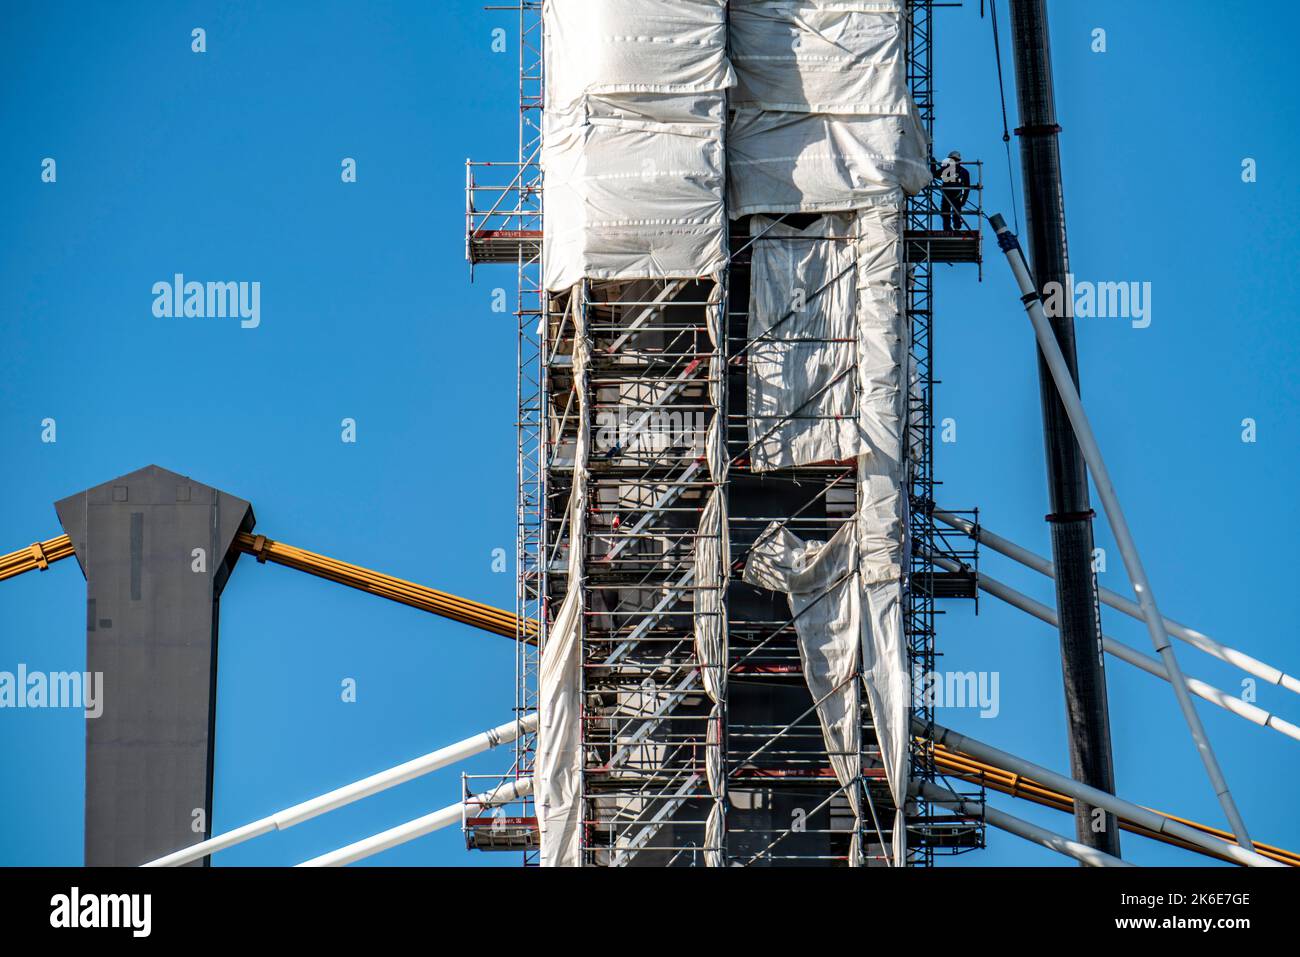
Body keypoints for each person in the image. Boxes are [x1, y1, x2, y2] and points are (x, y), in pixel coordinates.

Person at [931, 150, 970, 231]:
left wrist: (933, 164)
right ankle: (952, 227)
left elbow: (967, 188)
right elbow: (967, 188)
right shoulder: (962, 171)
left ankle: (953, 227)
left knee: (948, 213)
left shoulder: (949, 170)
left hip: (951, 195)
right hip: (951, 195)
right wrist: (933, 164)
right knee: (948, 213)